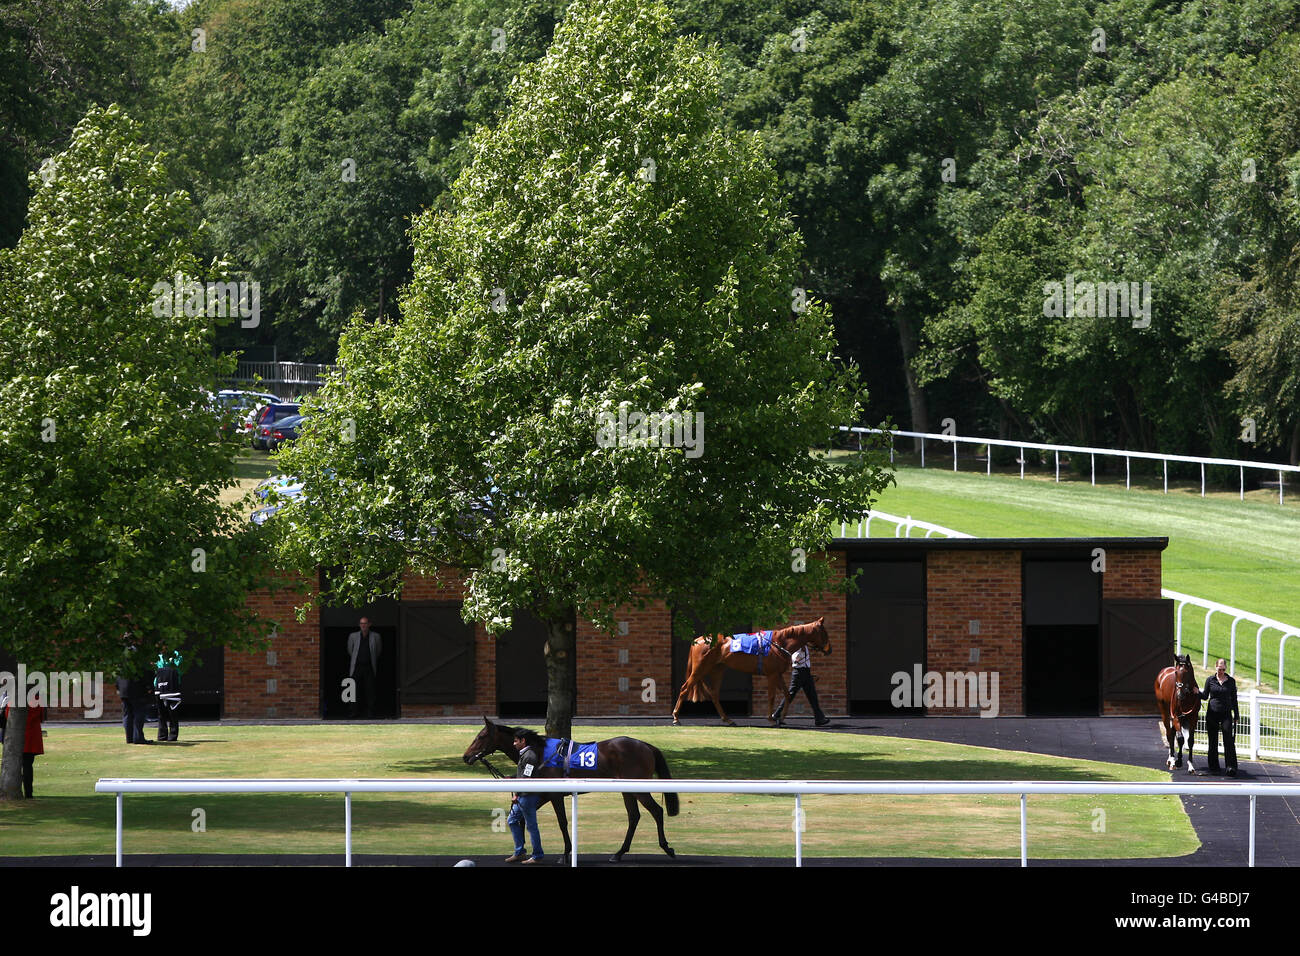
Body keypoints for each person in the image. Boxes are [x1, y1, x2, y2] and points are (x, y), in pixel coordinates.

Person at [505, 729, 546, 864]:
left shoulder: (529, 756)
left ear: (523, 741)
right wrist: (512, 777)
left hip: (527, 797)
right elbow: (522, 775)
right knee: (512, 820)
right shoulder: (526, 755)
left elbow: (526, 778)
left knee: (531, 826)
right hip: (524, 796)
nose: (514, 744)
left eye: (516, 741)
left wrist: (516, 794)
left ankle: (537, 855)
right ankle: (520, 852)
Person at [770, 643, 830, 726]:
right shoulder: (798, 646)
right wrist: (800, 654)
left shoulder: (804, 646)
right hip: (799, 673)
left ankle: (819, 718)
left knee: (812, 695)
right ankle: (776, 715)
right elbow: (795, 659)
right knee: (790, 695)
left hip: (806, 672)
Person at [1201, 658, 1239, 776]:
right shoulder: (1210, 680)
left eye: (1223, 669)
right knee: (1213, 741)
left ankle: (1231, 766)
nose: (1221, 671)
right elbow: (1205, 696)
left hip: (1226, 714)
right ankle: (1213, 767)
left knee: (1228, 741)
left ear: (1225, 669)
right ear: (1215, 667)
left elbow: (1234, 699)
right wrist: (1196, 692)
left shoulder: (1231, 681)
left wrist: (1236, 714)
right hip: (1212, 713)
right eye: (1219, 669)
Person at [3, 695, 44, 798]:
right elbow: (41, 716)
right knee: (27, 766)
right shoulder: (37, 699)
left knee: (15, 766)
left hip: (18, 737)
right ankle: (28, 793)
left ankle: (13, 790)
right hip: (31, 738)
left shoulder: (15, 698)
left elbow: (8, 715)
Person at [346, 617, 382, 718]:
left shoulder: (376, 636)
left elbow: (377, 651)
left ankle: (370, 712)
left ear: (369, 624)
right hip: (356, 667)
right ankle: (353, 712)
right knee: (353, 690)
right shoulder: (353, 636)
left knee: (370, 690)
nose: (363, 625)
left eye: (365, 623)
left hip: (369, 667)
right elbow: (350, 651)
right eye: (361, 623)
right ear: (359, 625)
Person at [154, 651, 183, 742]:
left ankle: (173, 735)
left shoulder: (175, 654)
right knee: (161, 712)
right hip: (159, 685)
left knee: (172, 712)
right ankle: (162, 735)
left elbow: (179, 666)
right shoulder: (157, 656)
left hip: (172, 686)